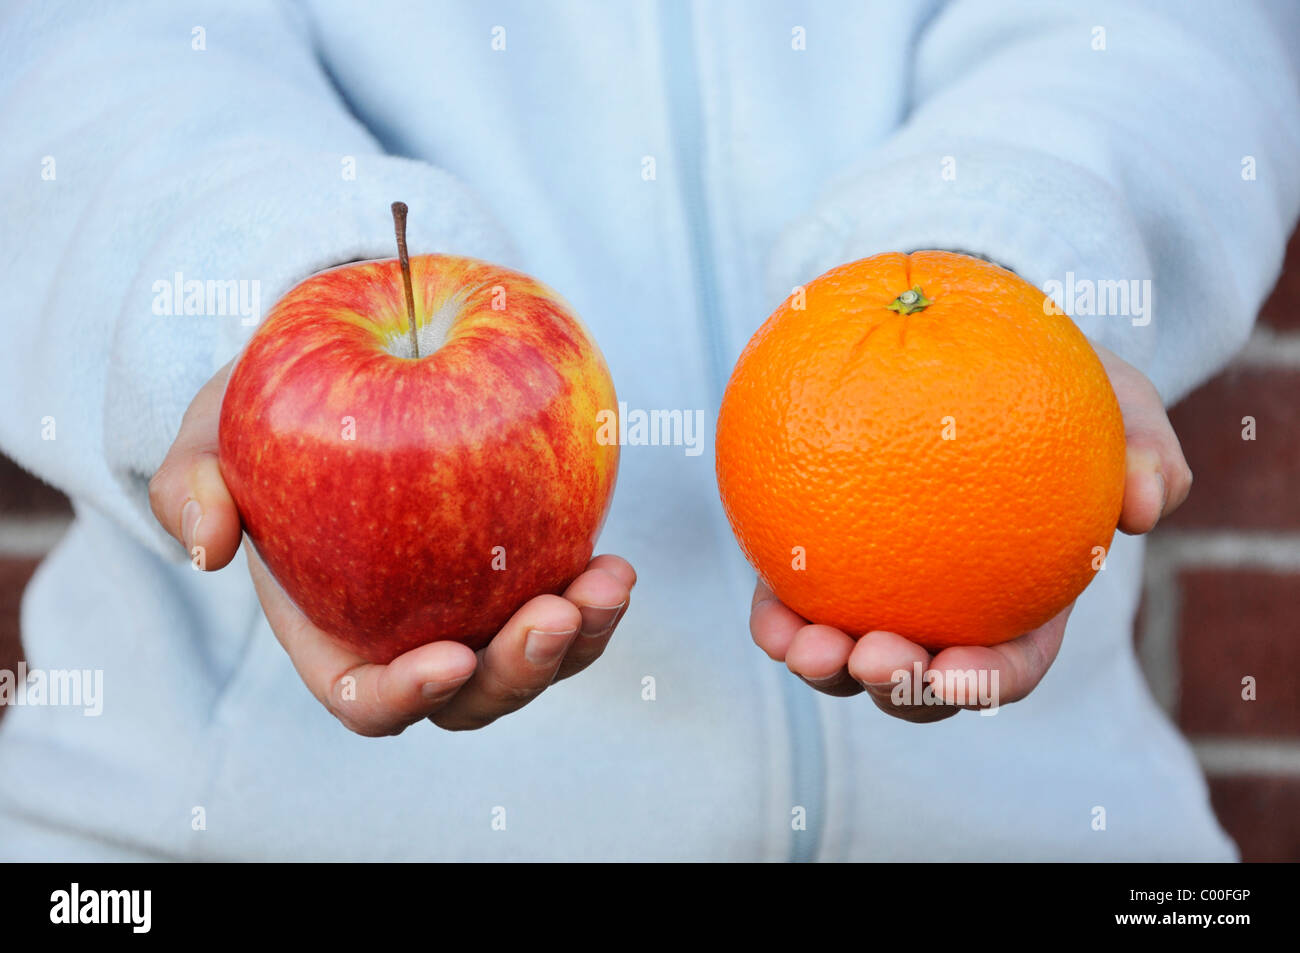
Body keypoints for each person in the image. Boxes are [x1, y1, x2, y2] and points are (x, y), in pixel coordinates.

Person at [1, 0, 1296, 861]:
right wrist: (254, 281)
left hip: (1033, 823)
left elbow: (1168, 26)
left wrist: (1004, 257)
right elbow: (83, 48)